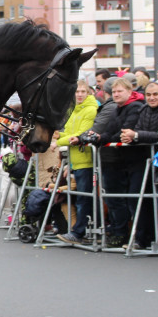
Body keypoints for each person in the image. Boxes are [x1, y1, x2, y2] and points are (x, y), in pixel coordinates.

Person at [85, 75, 145, 247]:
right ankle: (121, 232)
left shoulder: (135, 107)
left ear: (129, 91)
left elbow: (123, 130)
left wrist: (104, 138)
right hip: (118, 159)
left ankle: (137, 236)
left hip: (133, 159)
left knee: (134, 199)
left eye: (120, 91)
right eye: (114, 92)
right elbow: (111, 131)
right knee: (114, 198)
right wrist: (98, 138)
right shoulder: (117, 109)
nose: (116, 94)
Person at [127, 79, 158, 249]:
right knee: (142, 199)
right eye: (148, 95)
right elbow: (139, 130)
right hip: (145, 160)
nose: (151, 98)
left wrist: (137, 136)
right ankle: (145, 238)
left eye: (155, 94)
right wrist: (132, 138)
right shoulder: (144, 109)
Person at [57, 79, 99, 246]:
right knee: (80, 198)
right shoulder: (72, 110)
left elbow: (81, 134)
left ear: (88, 92)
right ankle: (78, 231)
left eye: (83, 91)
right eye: (77, 92)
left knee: (84, 199)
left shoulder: (90, 109)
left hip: (86, 160)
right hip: (75, 160)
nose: (80, 95)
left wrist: (58, 142)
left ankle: (79, 232)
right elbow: (68, 132)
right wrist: (57, 135)